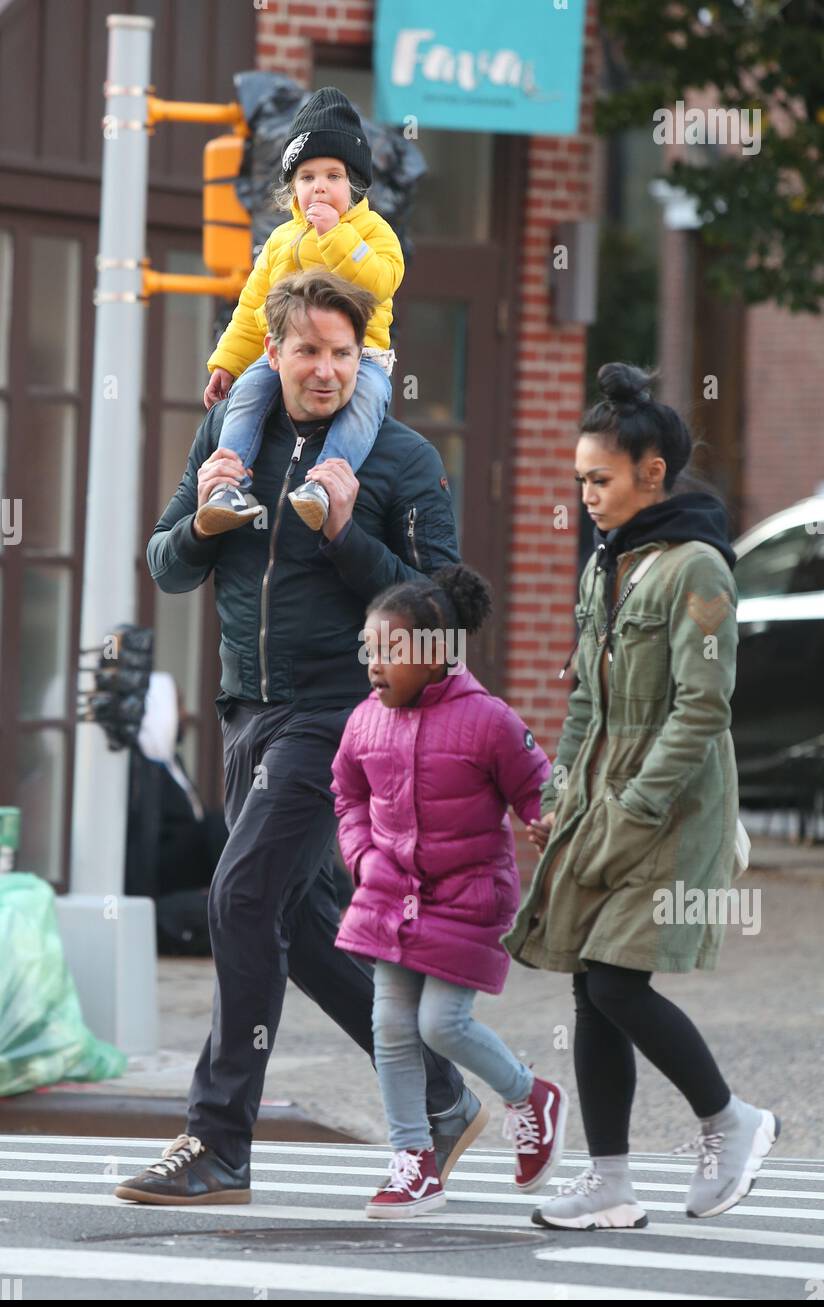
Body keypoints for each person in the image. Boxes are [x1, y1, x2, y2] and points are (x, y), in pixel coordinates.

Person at [113, 270, 481, 1207]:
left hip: (342, 718)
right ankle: (442, 1097)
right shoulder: (231, 437)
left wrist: (349, 531)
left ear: (365, 360)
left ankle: (218, 1141)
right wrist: (198, 522)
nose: (324, 370)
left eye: (342, 354)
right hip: (248, 714)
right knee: (303, 924)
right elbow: (165, 564)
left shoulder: (400, 460)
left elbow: (441, 613)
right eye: (307, 350)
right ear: (271, 353)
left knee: (239, 898)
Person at [504, 363, 781, 1231]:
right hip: (600, 801)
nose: (586, 494)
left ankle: (732, 1122)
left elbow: (703, 708)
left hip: (675, 808)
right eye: (580, 479)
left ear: (652, 472)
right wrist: (561, 793)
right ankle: (612, 1184)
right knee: (591, 986)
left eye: (601, 478)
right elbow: (586, 696)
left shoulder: (699, 570)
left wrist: (636, 807)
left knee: (619, 985)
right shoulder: (607, 566)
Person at [331, 564, 568, 1218]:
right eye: (370, 650)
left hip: (468, 900)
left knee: (441, 1023)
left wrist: (543, 821)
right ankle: (413, 1160)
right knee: (390, 1025)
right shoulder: (364, 723)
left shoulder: (488, 721)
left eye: (393, 652)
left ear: (438, 657)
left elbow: (535, 787)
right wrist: (360, 854)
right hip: (387, 898)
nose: (376, 666)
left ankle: (529, 1096)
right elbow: (347, 794)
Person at [198, 85, 402, 536]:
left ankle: (325, 485)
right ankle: (226, 485)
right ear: (292, 188)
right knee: (249, 393)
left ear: (353, 185)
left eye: (333, 175)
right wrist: (227, 363)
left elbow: (383, 280)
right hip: (285, 355)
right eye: (307, 177)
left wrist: (337, 238)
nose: (320, 187)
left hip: (361, 356)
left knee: (365, 402)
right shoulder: (279, 240)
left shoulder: (372, 230)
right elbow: (251, 304)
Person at [125, 672, 228, 956]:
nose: (185, 715)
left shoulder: (173, 762)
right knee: (221, 825)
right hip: (164, 880)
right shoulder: (140, 770)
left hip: (192, 874)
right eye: (178, 705)